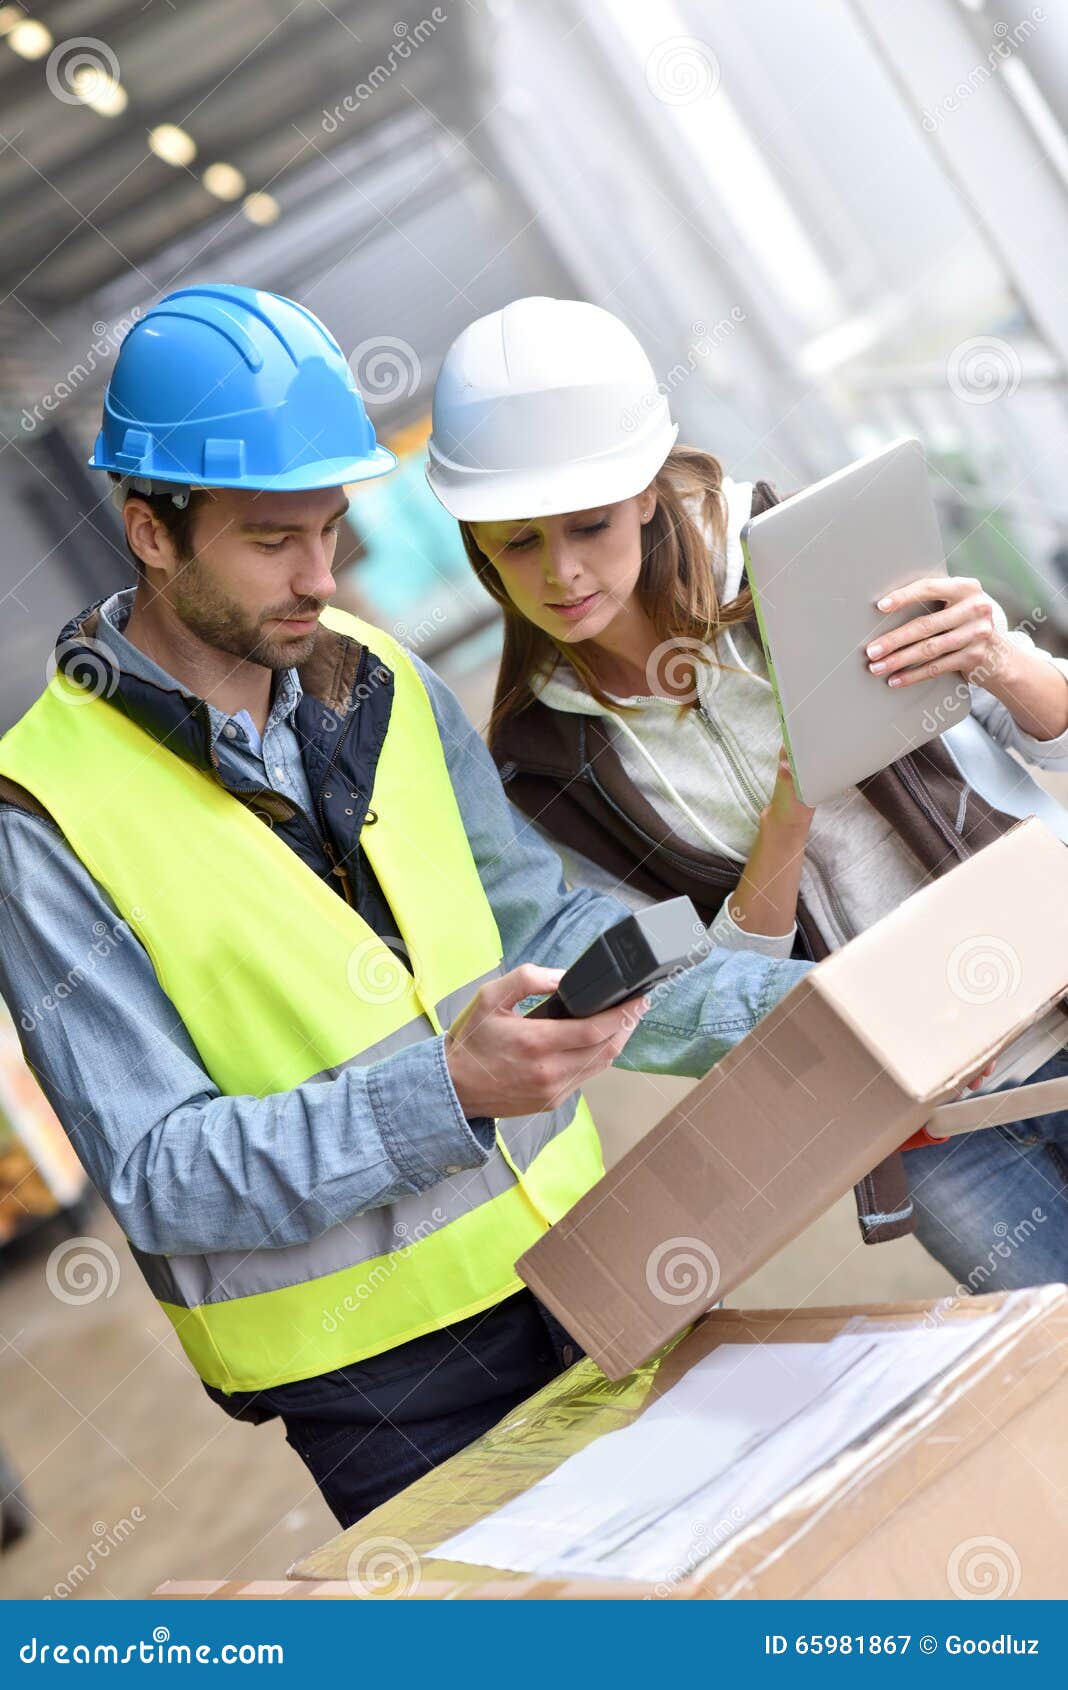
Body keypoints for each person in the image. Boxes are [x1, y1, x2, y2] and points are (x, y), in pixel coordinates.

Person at [0, 285, 811, 1529]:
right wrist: (449, 1091)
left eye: (332, 527)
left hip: (591, 1260)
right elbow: (161, 1172)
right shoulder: (42, 813)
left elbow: (538, 928)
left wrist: (808, 1015)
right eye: (274, 540)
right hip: (385, 1386)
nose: (321, 576)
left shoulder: (380, 679)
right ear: (150, 532)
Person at [425, 294, 1068, 1288]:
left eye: (590, 525)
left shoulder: (806, 549)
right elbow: (692, 989)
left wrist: (998, 660)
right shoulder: (541, 761)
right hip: (921, 1110)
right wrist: (785, 820)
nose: (560, 574)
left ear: (646, 491)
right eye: (517, 544)